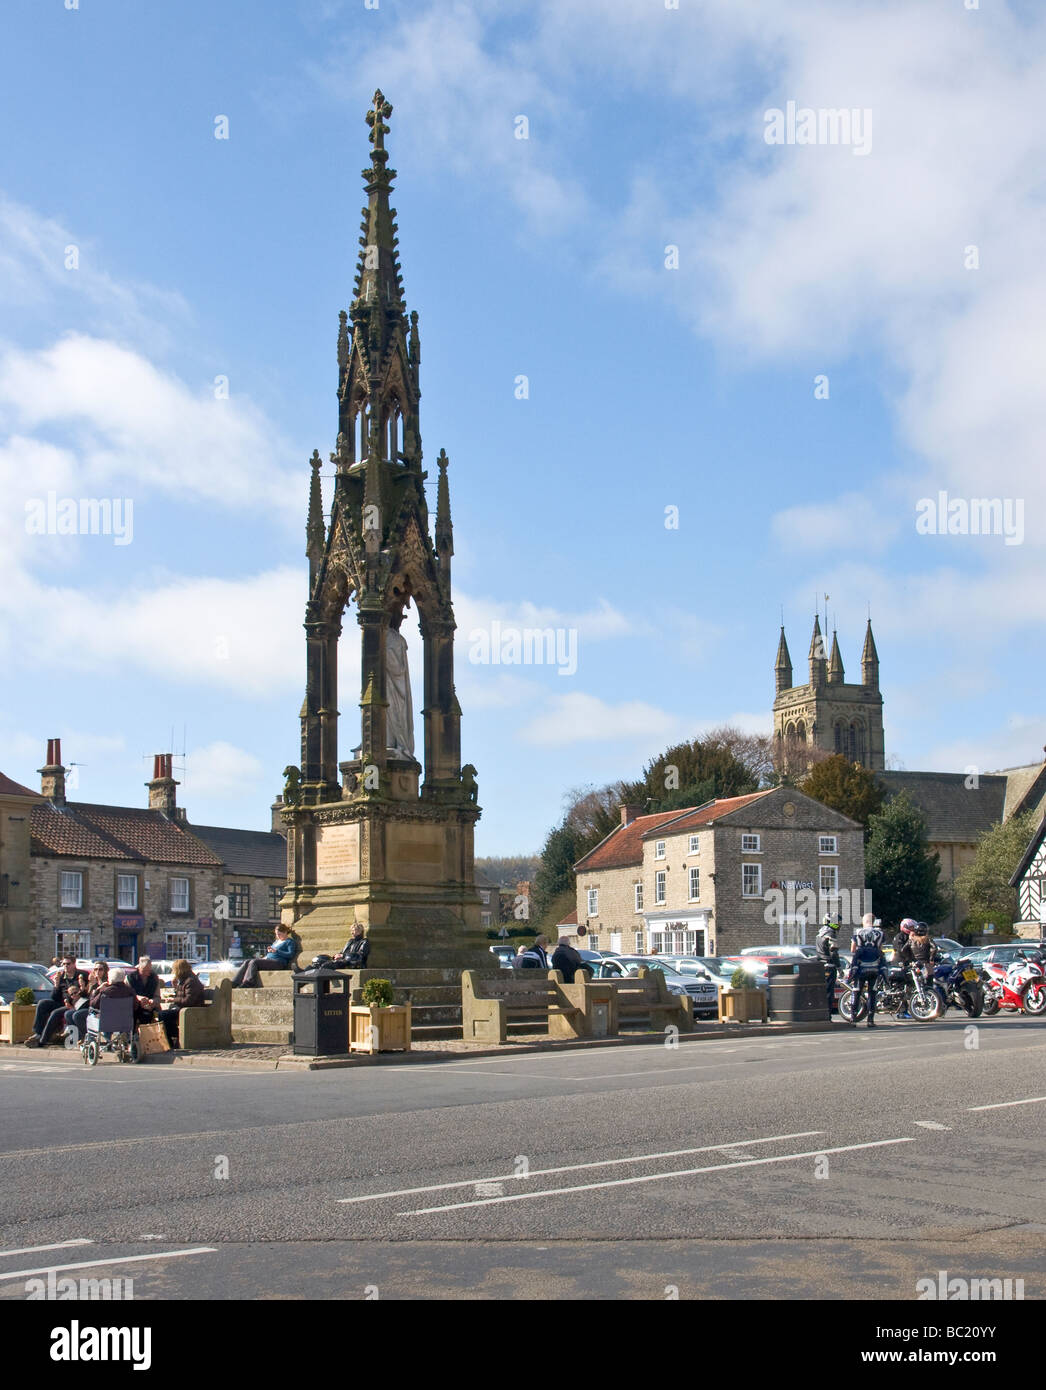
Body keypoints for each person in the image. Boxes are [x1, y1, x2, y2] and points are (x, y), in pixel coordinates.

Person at [25, 955, 89, 1047]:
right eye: (64, 964)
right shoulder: (62, 976)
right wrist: (56, 985)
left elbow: (86, 994)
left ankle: (43, 1041)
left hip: (74, 1004)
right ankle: (38, 1033)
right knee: (43, 1003)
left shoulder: (82, 975)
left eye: (68, 964)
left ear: (74, 964)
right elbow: (54, 997)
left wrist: (80, 988)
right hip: (62, 1002)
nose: (65, 966)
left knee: (56, 1013)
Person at [157, 959, 205, 1048]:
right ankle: (171, 1040)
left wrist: (173, 1000)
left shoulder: (191, 981)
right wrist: (175, 987)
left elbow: (188, 1001)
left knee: (163, 1015)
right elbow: (182, 996)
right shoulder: (184, 980)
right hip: (184, 1008)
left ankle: (175, 1038)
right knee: (163, 1015)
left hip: (191, 1010)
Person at [847, 919, 886, 1028]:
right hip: (874, 969)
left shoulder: (857, 932)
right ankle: (870, 1019)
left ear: (864, 921)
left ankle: (853, 1018)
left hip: (860, 969)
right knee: (872, 993)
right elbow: (880, 950)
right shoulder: (880, 933)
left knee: (856, 991)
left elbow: (852, 949)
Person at [231, 925, 297, 988]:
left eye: (279, 934)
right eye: (276, 934)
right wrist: (265, 957)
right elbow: (271, 953)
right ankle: (235, 982)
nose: (278, 936)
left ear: (285, 932)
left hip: (279, 962)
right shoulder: (276, 941)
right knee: (247, 961)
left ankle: (249, 982)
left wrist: (276, 951)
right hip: (269, 960)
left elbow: (290, 954)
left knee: (254, 962)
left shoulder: (289, 942)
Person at [815, 915, 841, 1015]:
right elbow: (833, 953)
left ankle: (820, 1013)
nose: (839, 924)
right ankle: (827, 1015)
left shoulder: (820, 933)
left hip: (820, 965)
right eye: (838, 922)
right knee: (829, 992)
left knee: (822, 991)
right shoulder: (831, 933)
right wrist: (839, 968)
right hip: (829, 966)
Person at [126, 956, 160, 1023]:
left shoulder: (154, 978)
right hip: (134, 1008)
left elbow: (157, 996)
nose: (147, 973)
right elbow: (126, 995)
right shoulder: (130, 978)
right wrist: (138, 998)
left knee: (148, 1016)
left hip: (149, 1008)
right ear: (139, 968)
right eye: (144, 971)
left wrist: (153, 1001)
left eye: (149, 971)